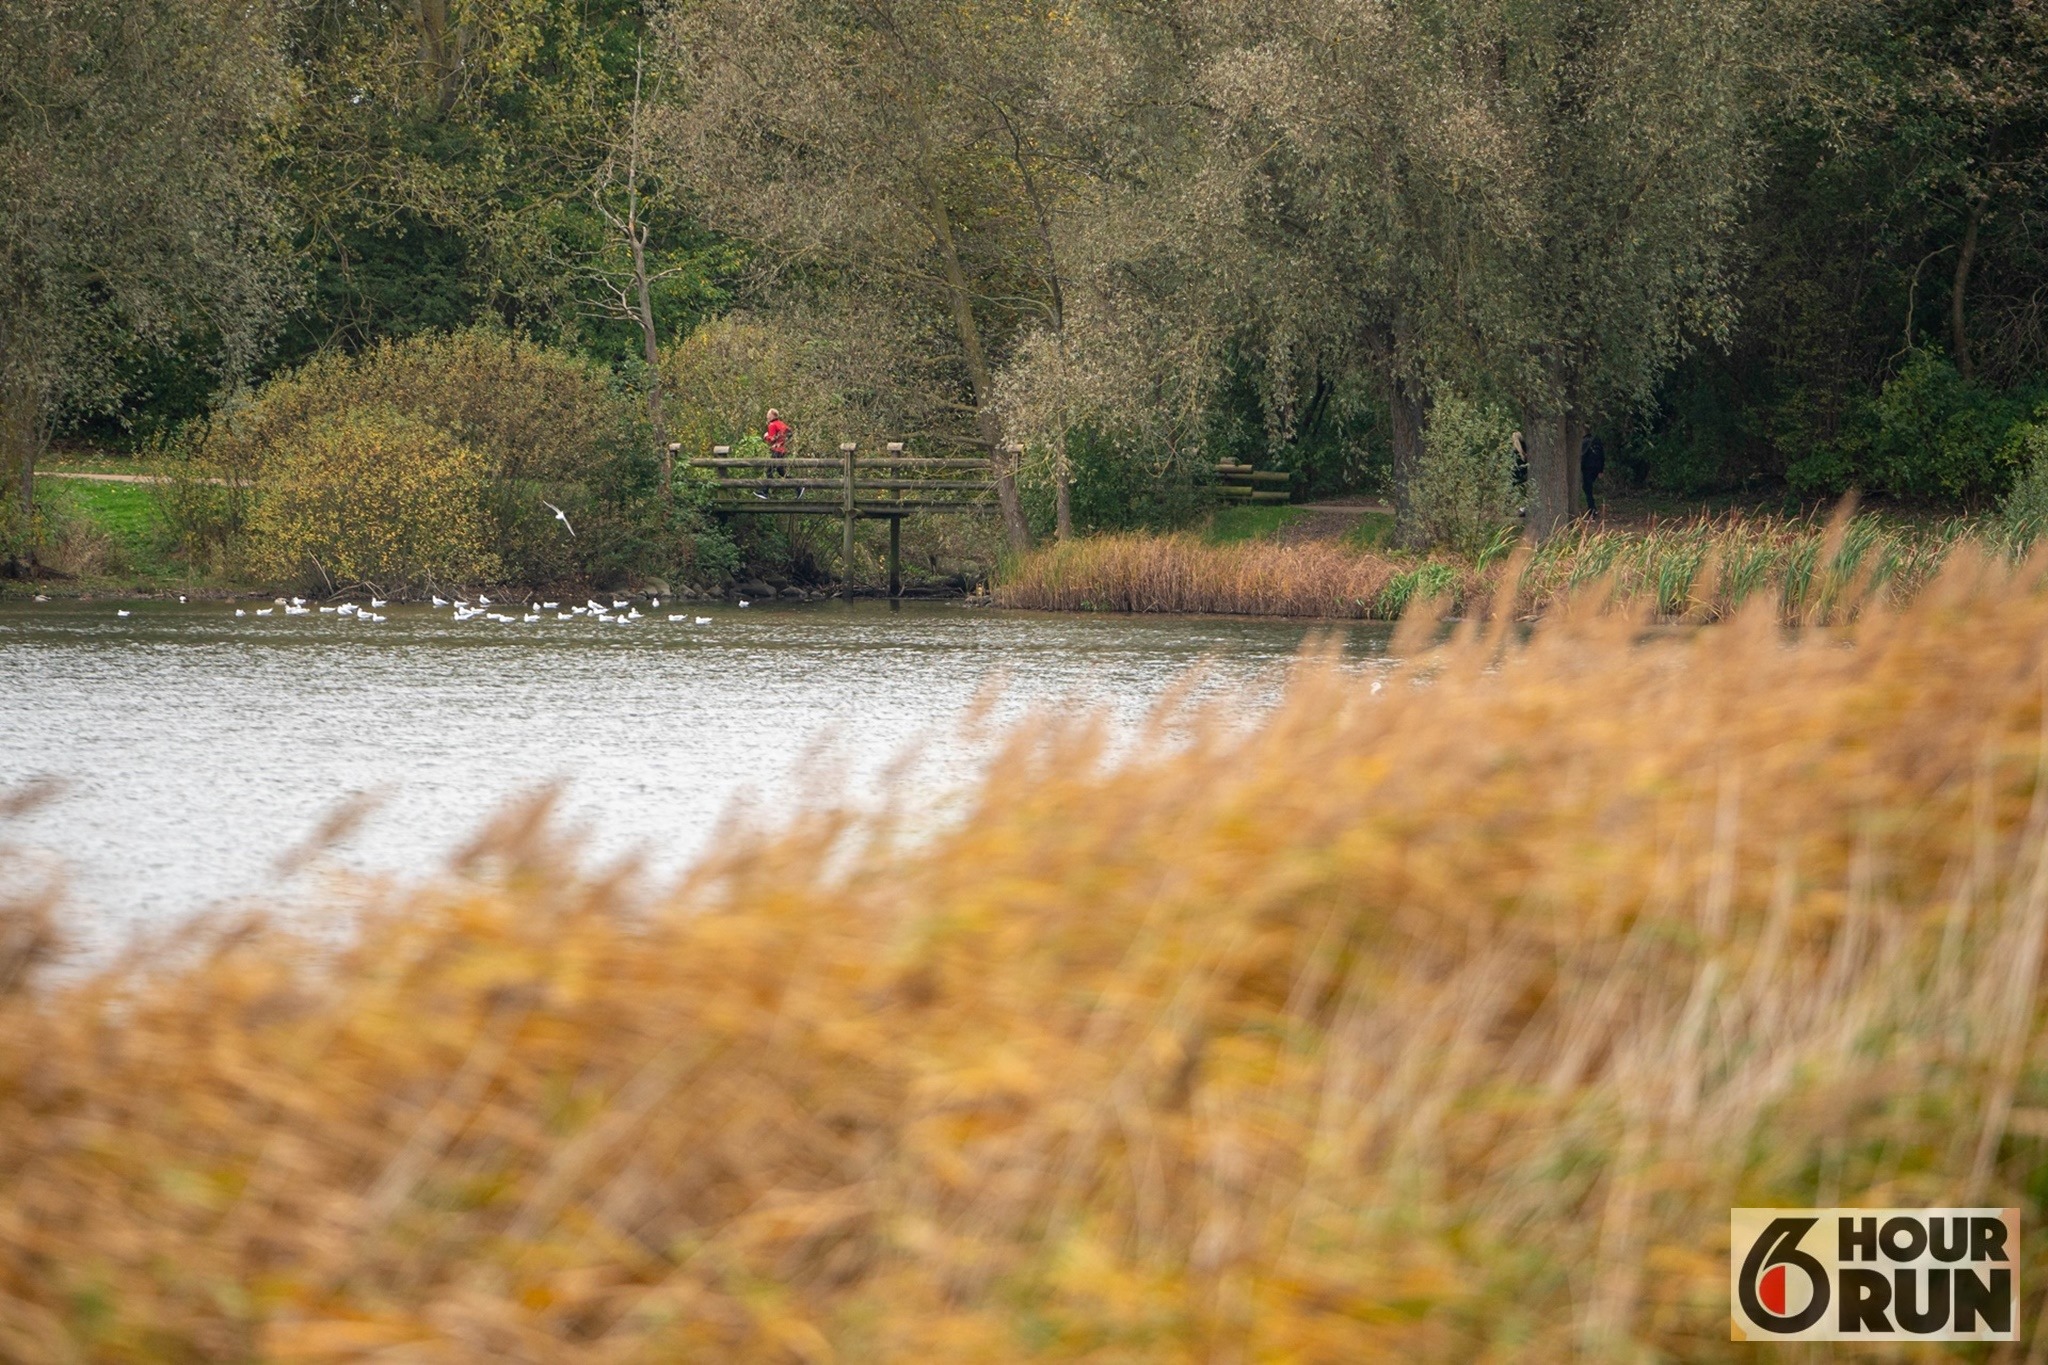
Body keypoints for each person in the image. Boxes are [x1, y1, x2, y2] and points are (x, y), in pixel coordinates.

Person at [1580, 431, 1606, 513]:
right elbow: (1602, 456)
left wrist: (1581, 467)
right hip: (1596, 468)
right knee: (1588, 488)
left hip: (1588, 468)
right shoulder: (1597, 441)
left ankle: (1592, 508)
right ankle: (1591, 507)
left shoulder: (1584, 442)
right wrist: (1601, 470)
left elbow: (1583, 456)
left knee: (1587, 488)